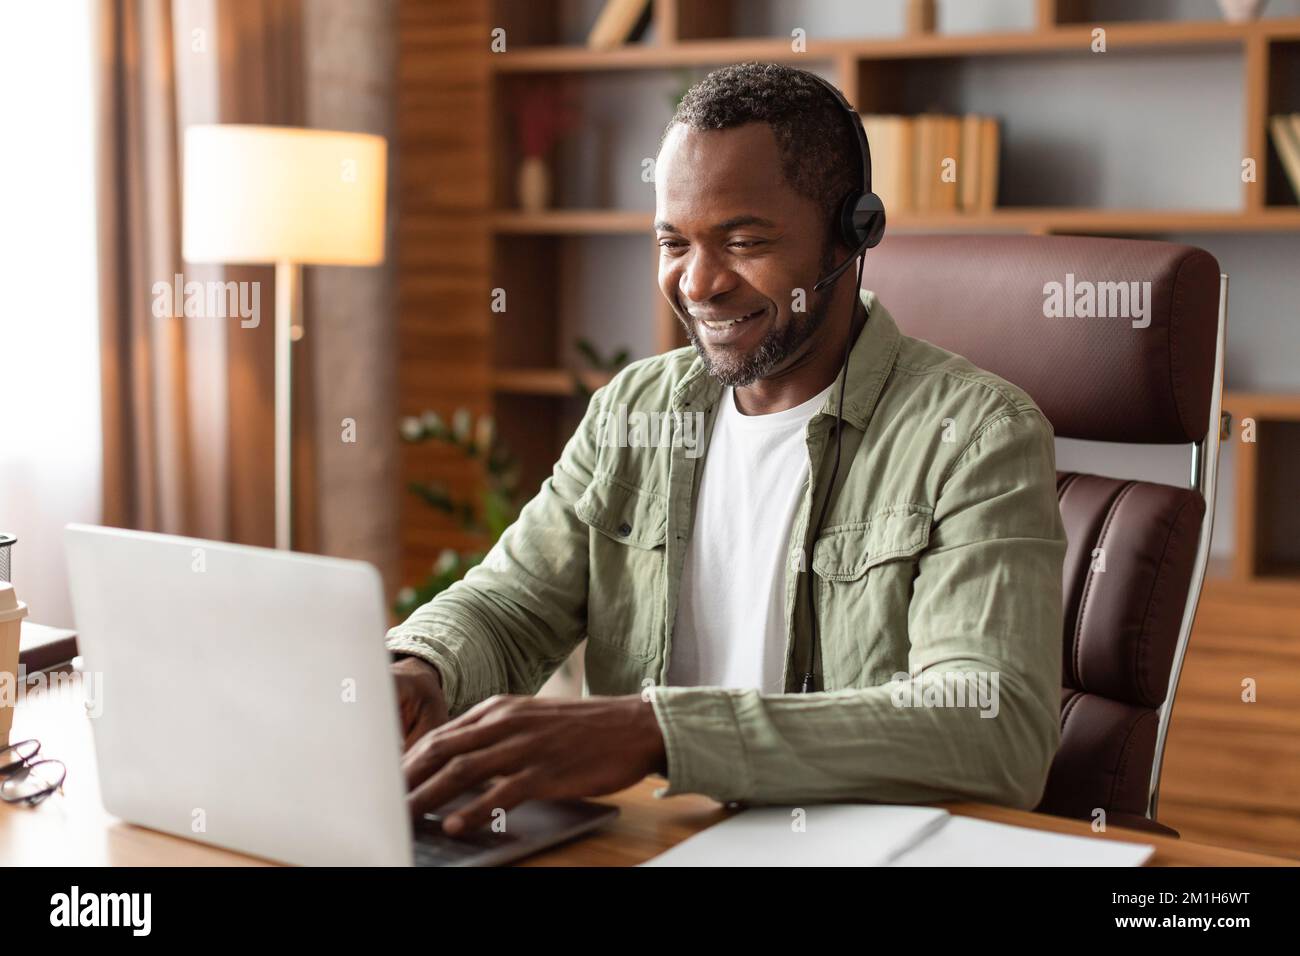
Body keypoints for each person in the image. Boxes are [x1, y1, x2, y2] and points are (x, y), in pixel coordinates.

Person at [388, 62, 1067, 836]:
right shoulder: (634, 410)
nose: (698, 282)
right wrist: (422, 668)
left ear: (855, 232)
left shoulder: (977, 435)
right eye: (673, 242)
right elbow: (511, 607)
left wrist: (659, 733)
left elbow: (992, 725)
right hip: (654, 842)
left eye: (743, 241)